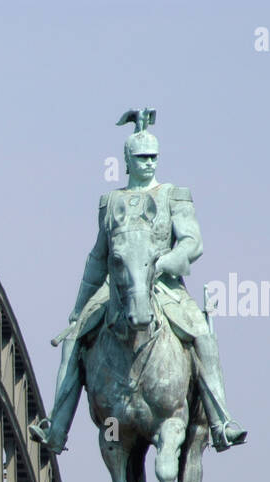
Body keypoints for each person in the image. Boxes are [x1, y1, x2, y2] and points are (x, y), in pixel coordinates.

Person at [28, 111, 246, 454]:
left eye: (153, 157)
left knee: (202, 334)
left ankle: (221, 421)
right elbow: (98, 257)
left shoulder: (175, 195)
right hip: (116, 288)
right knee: (74, 340)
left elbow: (193, 242)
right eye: (141, 157)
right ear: (127, 160)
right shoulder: (110, 201)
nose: (148, 163)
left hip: (164, 286)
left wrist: (163, 264)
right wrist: (78, 306)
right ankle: (57, 428)